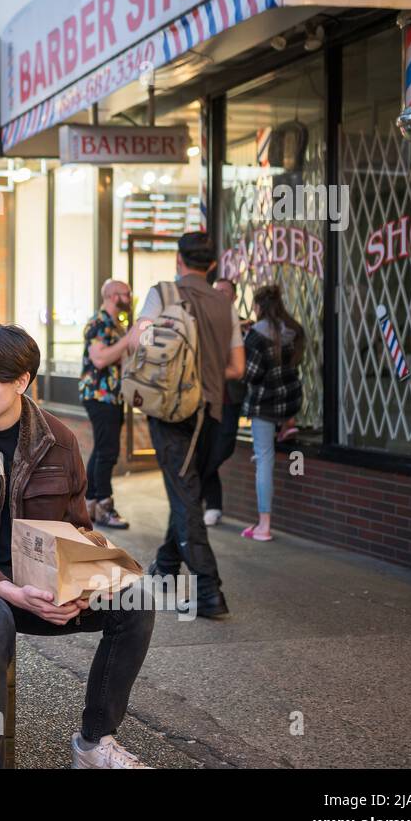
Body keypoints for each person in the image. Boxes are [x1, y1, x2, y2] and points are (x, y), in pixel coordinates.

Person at [0, 324, 155, 768]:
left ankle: (94, 743)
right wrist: (5, 589)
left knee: (137, 599)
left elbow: (76, 531)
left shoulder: (58, 441)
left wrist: (75, 589)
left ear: (21, 381)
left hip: (31, 585)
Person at [127, 232, 244, 619]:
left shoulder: (163, 293)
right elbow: (237, 368)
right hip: (210, 414)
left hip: (172, 412)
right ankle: (165, 567)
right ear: (211, 265)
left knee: (184, 496)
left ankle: (209, 591)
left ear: (179, 260)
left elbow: (137, 341)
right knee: (187, 490)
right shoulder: (225, 304)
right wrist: (207, 372)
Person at [241, 285, 305, 542]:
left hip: (265, 405)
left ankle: (263, 525)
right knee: (273, 453)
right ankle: (288, 425)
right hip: (289, 402)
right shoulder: (293, 330)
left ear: (259, 307)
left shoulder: (256, 336)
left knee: (264, 459)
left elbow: (252, 374)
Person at [80, 279, 132, 530]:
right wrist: (128, 340)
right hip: (100, 395)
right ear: (113, 296)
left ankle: (89, 502)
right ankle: (104, 506)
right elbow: (99, 359)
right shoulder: (98, 323)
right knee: (108, 451)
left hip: (113, 395)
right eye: (126, 293)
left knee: (102, 449)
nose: (130, 297)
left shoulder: (115, 325)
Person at [201, 279, 247, 527]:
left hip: (230, 400)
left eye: (224, 292)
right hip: (207, 399)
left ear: (234, 298)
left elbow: (243, 367)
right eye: (216, 292)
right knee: (207, 451)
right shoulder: (204, 324)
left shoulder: (242, 327)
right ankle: (214, 506)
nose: (219, 296)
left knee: (220, 451)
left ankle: (197, 495)